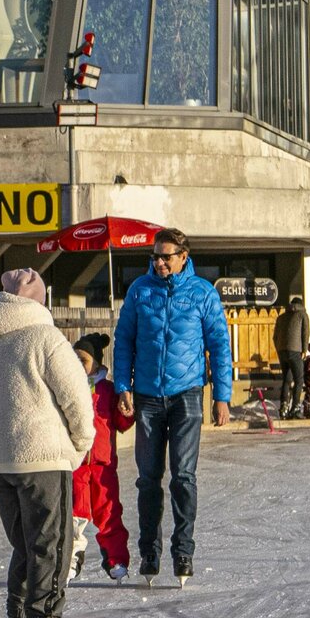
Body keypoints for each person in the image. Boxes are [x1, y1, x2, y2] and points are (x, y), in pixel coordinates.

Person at [0, 269, 96, 618]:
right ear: (39, 300)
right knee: (51, 544)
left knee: (26, 545)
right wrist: (80, 443)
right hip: (41, 456)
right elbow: (76, 396)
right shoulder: (45, 337)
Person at [114, 229, 233, 585]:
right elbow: (124, 341)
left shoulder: (202, 293)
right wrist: (124, 386)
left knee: (183, 477)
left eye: (166, 256)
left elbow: (219, 345)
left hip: (187, 395)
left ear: (184, 256)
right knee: (148, 480)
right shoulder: (140, 291)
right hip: (148, 396)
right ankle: (149, 552)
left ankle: (183, 551)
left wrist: (222, 396)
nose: (160, 262)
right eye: (155, 256)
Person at [71, 332, 133, 581]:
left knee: (108, 513)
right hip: (76, 464)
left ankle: (116, 559)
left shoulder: (107, 390)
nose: (77, 364)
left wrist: (127, 412)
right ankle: (72, 557)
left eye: (83, 360)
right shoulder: (68, 389)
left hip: (103, 466)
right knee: (74, 513)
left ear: (96, 364)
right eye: (73, 359)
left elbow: (120, 423)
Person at [274, 295, 309, 419]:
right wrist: (304, 350)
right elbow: (305, 333)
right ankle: (295, 408)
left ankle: (283, 407)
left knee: (286, 380)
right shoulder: (302, 315)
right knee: (299, 380)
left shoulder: (281, 317)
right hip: (295, 350)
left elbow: (275, 336)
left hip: (282, 351)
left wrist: (279, 349)